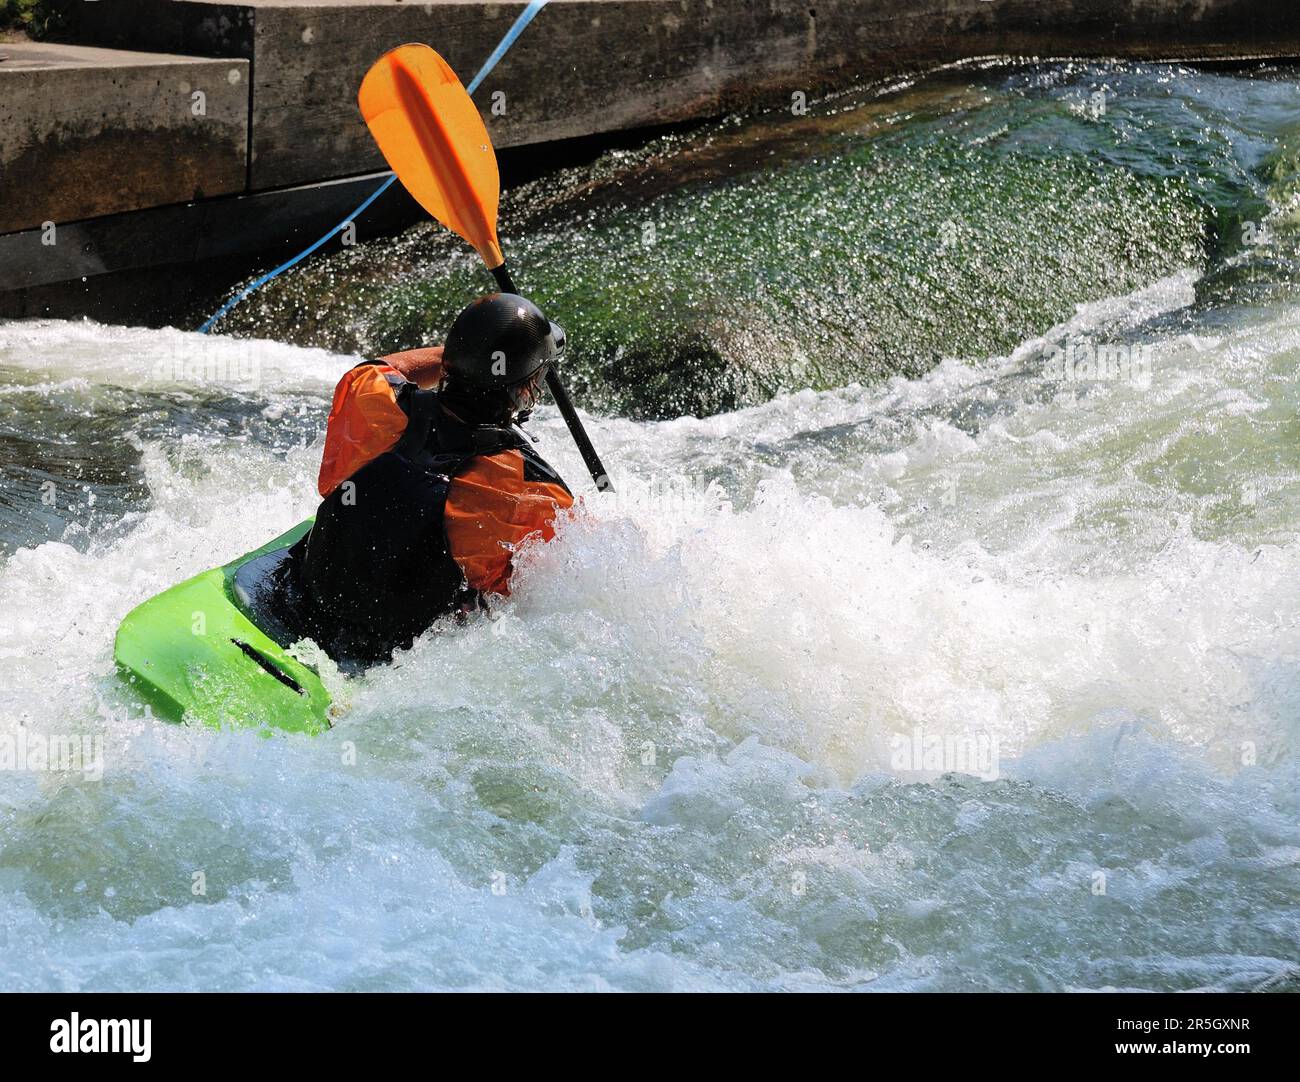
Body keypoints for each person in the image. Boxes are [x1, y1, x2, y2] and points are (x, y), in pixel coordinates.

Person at [279, 293, 574, 666]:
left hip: (299, 597)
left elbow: (384, 366)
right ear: (523, 389)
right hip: (391, 659)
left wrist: (469, 353)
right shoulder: (527, 486)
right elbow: (569, 574)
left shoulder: (373, 397)